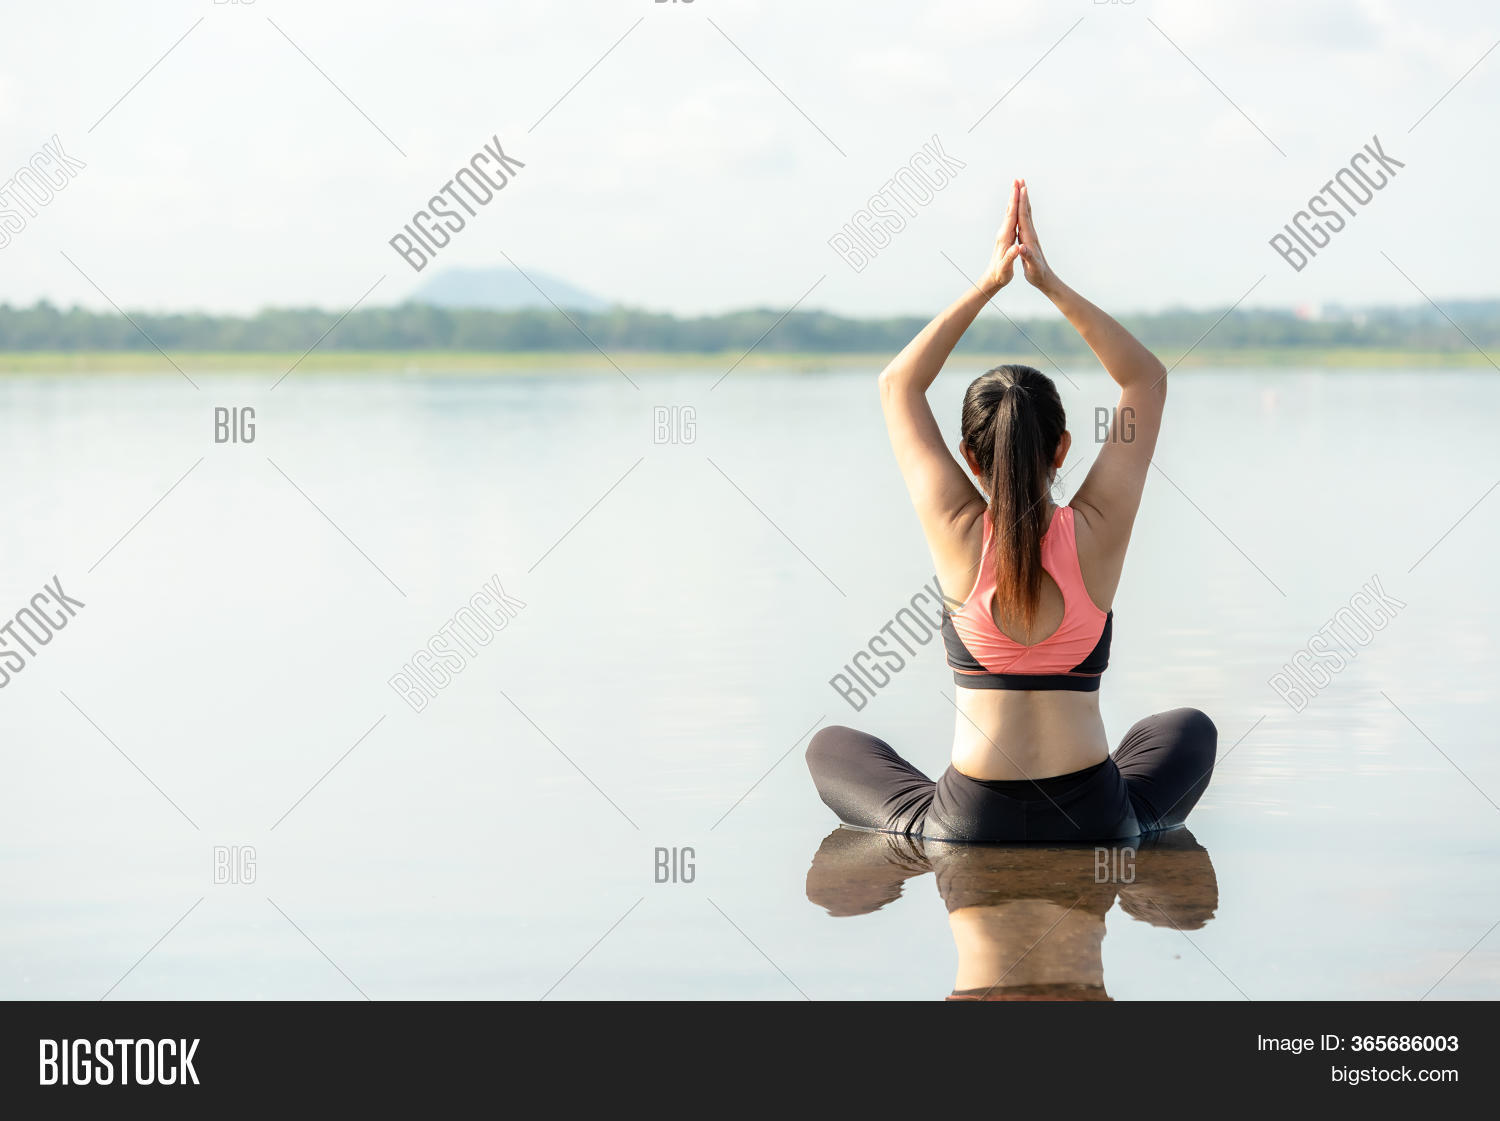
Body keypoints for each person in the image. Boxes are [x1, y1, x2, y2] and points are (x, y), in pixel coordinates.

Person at [807, 179, 1216, 842]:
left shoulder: (956, 529)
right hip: (1095, 819)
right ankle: (1147, 865)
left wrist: (989, 281)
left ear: (971, 456)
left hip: (969, 820)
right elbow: (1145, 380)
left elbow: (898, 385)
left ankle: (912, 850)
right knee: (1187, 730)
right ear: (1062, 446)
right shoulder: (1097, 529)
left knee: (831, 744)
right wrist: (1047, 282)